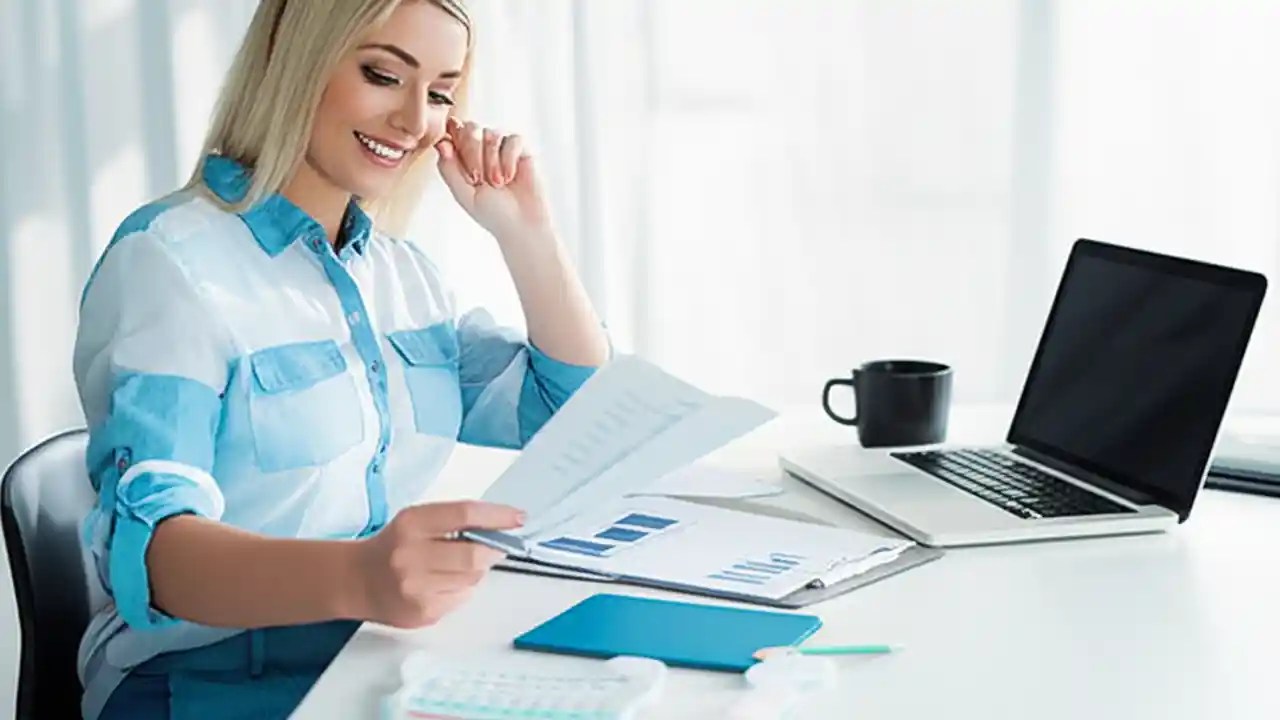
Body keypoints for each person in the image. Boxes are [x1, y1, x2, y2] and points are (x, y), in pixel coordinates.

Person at [73, 1, 609, 717]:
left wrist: (529, 234)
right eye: (383, 75)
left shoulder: (403, 278)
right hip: (206, 681)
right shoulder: (170, 262)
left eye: (440, 93)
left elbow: (577, 416)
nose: (415, 120)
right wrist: (360, 576)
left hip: (369, 659)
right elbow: (155, 560)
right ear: (295, 64)